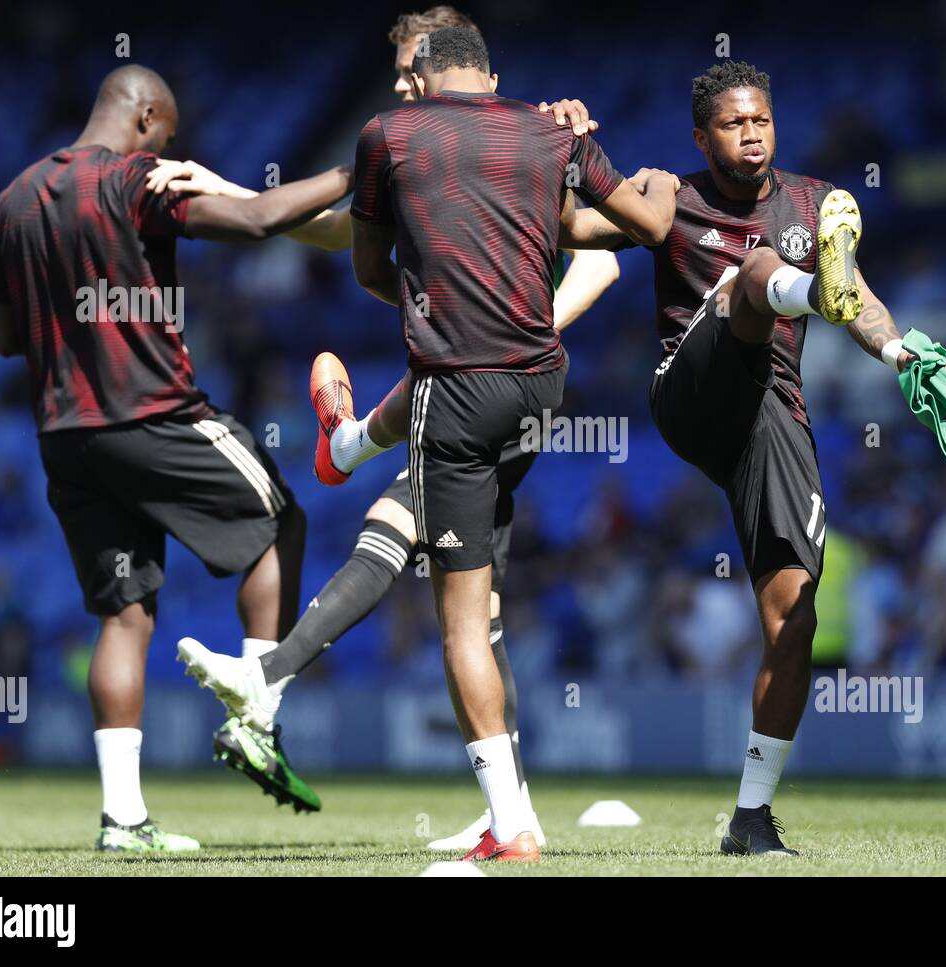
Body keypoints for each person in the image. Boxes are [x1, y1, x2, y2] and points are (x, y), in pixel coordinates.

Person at [178, 26, 676, 862]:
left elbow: (366, 262)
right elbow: (647, 226)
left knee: (459, 620)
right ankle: (287, 676)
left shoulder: (389, 135)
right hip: (542, 385)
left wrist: (425, 292)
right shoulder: (551, 129)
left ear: (422, 70)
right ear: (489, 71)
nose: (401, 86)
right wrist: (651, 178)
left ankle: (508, 824)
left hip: (460, 384)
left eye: (407, 70)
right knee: (468, 594)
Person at [0, 64, 353, 850]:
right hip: (153, 413)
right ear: (146, 116)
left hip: (66, 434)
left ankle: (123, 821)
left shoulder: (12, 199)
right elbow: (255, 221)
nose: (175, 149)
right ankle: (257, 713)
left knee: (123, 615)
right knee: (280, 518)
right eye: (171, 135)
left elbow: (7, 337)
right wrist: (358, 170)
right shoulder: (138, 181)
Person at [559, 60, 918, 855]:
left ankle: (751, 818)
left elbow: (856, 296)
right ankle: (791, 287)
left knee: (795, 619)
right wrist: (567, 157)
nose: (751, 134)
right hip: (690, 390)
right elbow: (572, 229)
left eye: (761, 120)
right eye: (732, 123)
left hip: (771, 415)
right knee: (751, 275)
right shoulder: (671, 199)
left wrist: (898, 354)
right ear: (701, 135)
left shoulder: (813, 202)